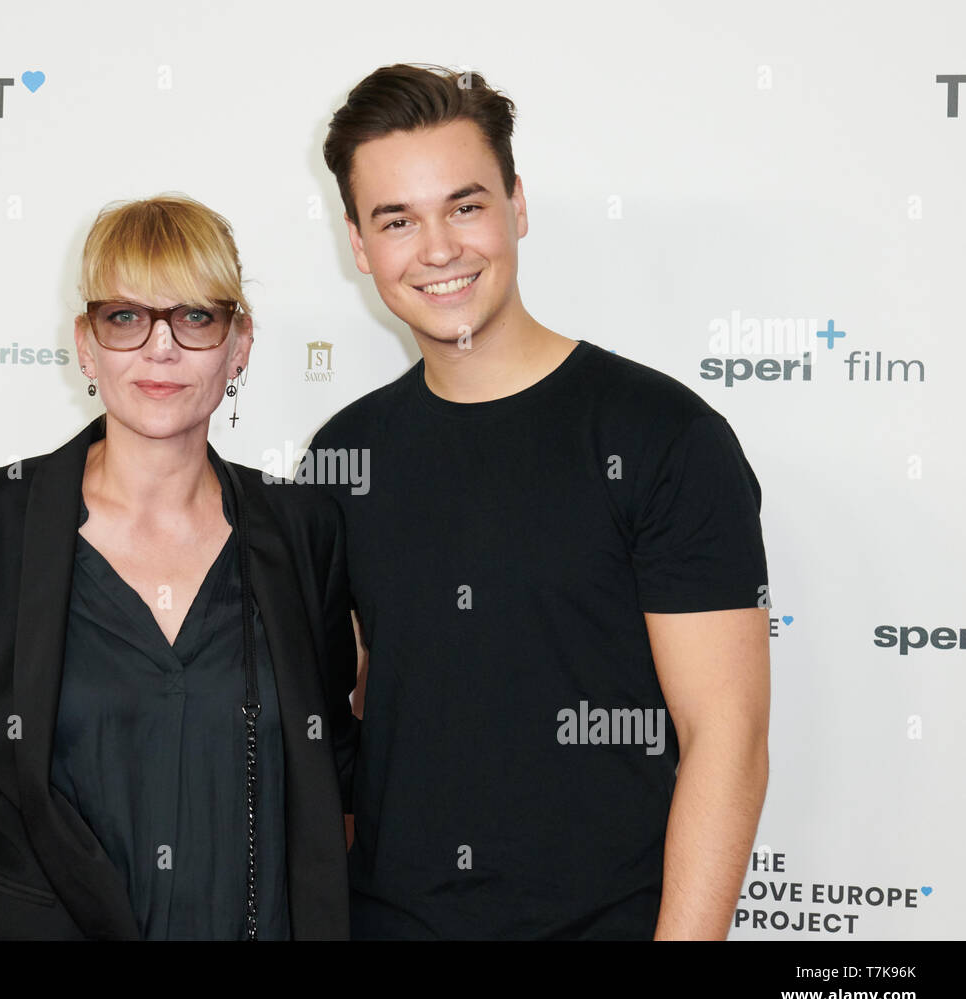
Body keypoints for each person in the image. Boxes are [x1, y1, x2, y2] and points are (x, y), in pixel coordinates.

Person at [310, 64, 771, 939]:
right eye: (397, 220)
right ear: (359, 246)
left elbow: (729, 740)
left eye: (466, 205)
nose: (438, 248)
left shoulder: (662, 435)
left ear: (518, 206)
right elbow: (352, 715)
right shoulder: (344, 456)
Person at [0, 193, 358, 940]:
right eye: (125, 317)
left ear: (240, 344)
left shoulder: (303, 531)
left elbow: (331, 765)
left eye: (195, 317)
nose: (160, 349)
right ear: (86, 345)